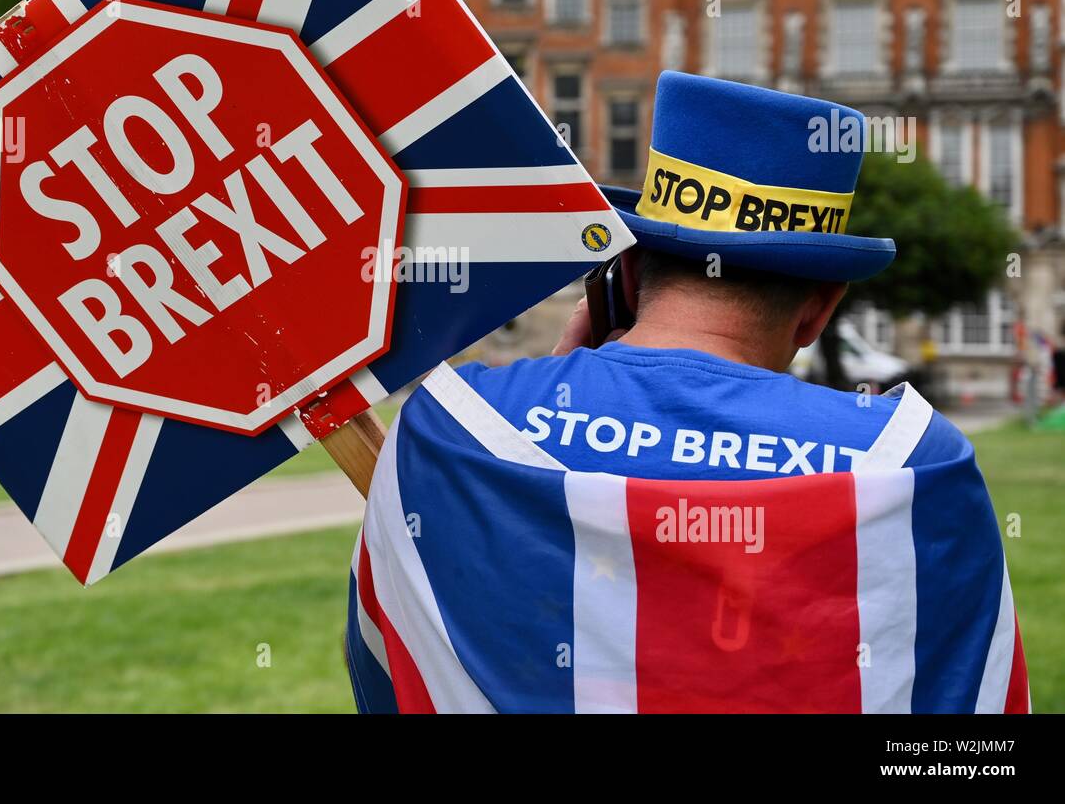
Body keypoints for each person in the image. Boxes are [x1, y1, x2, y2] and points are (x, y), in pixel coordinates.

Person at [346, 71, 1029, 714]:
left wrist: (545, 402)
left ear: (628, 272)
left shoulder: (445, 432)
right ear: (820, 307)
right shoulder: (917, 466)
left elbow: (389, 677)